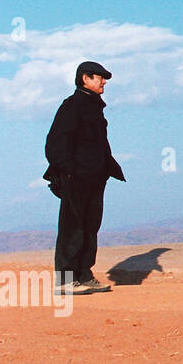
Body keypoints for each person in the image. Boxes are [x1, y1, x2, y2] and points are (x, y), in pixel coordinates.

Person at [44, 62, 126, 294]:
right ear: (85, 78)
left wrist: (107, 169)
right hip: (76, 178)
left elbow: (97, 144)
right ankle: (66, 280)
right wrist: (69, 172)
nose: (104, 81)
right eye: (100, 77)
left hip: (94, 177)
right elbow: (55, 143)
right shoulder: (72, 105)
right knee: (73, 227)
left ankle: (84, 275)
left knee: (90, 227)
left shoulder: (94, 107)